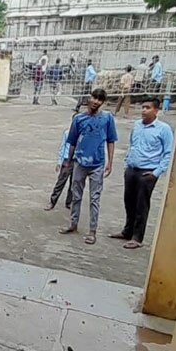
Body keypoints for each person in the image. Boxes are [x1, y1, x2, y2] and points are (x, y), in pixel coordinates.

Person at [110, 99, 174, 249]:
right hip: (132, 169)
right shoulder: (137, 125)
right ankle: (127, 231)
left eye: (148, 108)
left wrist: (157, 172)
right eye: (143, 107)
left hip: (147, 173)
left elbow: (168, 153)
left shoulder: (163, 129)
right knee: (129, 202)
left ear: (156, 110)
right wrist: (127, 164)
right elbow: (132, 144)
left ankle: (137, 237)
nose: (144, 110)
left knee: (141, 205)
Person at [60, 88, 118, 244]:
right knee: (76, 195)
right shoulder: (79, 119)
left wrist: (110, 163)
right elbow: (72, 142)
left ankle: (93, 231)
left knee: (94, 198)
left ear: (102, 102)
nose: (96, 102)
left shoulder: (107, 118)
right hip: (80, 161)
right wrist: (68, 161)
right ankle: (73, 224)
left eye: (100, 99)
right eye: (94, 98)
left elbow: (111, 141)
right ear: (89, 98)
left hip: (97, 164)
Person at [45, 121, 75, 211]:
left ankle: (69, 202)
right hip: (67, 160)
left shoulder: (83, 134)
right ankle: (52, 201)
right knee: (60, 182)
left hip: (77, 160)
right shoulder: (67, 133)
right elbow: (63, 146)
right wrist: (59, 161)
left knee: (74, 184)